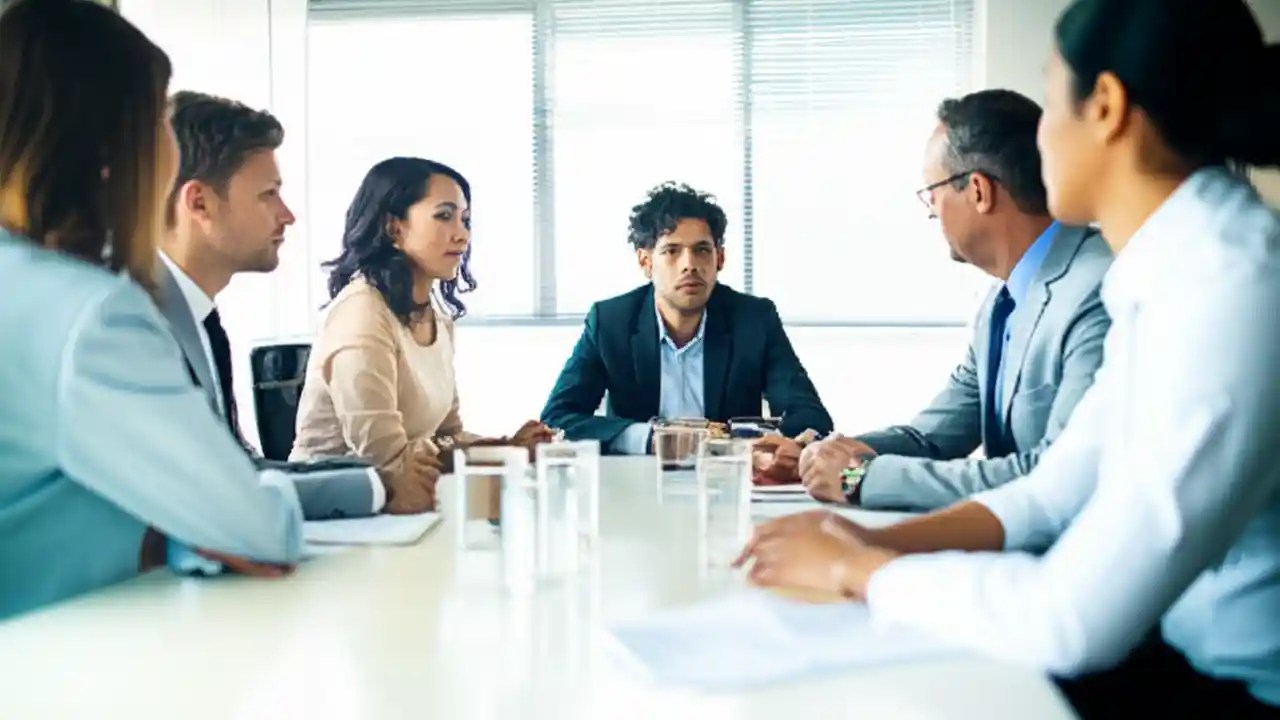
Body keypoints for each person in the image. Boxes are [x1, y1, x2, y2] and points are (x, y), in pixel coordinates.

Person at [735, 0, 1280, 716]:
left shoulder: (1231, 288)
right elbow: (1054, 489)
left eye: (1051, 97)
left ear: (1107, 107)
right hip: (1174, 652)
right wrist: (865, 540)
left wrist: (856, 568)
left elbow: (1072, 620)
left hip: (1231, 687)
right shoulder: (1170, 270)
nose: (1037, 138)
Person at [0, 0, 302, 619]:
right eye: (158, 116)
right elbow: (259, 530)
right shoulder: (87, 316)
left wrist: (167, 533)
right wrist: (196, 522)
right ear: (117, 140)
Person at [801, 90, 1112, 512]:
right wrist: (819, 457)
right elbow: (931, 438)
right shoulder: (1000, 304)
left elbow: (1051, 475)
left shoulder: (1098, 289)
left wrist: (855, 478)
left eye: (932, 193)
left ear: (979, 191)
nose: (931, 213)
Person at [158, 90, 397, 518]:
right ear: (199, 203)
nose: (287, 215)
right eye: (268, 193)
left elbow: (237, 469)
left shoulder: (199, 319)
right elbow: (211, 490)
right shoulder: (141, 324)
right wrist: (380, 488)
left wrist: (374, 479)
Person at [290, 157, 552, 491]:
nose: (462, 235)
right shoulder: (363, 313)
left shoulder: (435, 316)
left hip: (402, 500)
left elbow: (445, 438)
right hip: (339, 507)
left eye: (466, 220)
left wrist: (507, 447)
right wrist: (493, 455)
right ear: (394, 227)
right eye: (444, 216)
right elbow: (385, 460)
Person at [540, 182, 833, 454]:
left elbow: (811, 417)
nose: (689, 265)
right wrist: (651, 439)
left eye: (701, 250)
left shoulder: (754, 320)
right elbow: (557, 419)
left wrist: (745, 442)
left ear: (720, 259)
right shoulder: (610, 322)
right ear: (646, 262)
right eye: (671, 251)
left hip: (728, 480)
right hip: (637, 481)